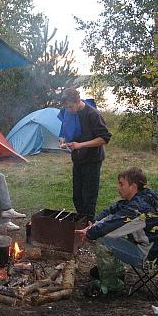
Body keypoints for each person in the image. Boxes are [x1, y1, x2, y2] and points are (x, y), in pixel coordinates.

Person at [75, 167, 158, 294]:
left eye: (121, 184)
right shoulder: (145, 196)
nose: (118, 187)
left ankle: (111, 285)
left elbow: (112, 227)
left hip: (150, 257)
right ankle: (115, 272)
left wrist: (89, 233)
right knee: (106, 233)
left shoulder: (138, 209)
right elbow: (113, 211)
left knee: (103, 240)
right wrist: (94, 223)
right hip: (155, 249)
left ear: (133, 187)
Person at [60, 88, 112, 222]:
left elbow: (104, 138)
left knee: (88, 197)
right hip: (78, 160)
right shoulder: (68, 112)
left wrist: (81, 145)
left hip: (92, 160)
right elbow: (64, 128)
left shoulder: (92, 114)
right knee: (77, 196)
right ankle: (81, 222)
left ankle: (89, 227)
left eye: (71, 107)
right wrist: (63, 139)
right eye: (67, 107)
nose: (69, 110)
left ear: (78, 101)